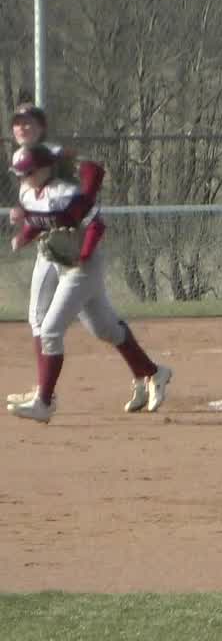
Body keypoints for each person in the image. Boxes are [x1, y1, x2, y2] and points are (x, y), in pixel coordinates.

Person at [6, 111, 173, 423]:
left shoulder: (65, 192)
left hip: (81, 266)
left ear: (43, 169)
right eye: (18, 174)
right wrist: (24, 235)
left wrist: (83, 255)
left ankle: (44, 401)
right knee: (104, 328)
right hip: (61, 260)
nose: (21, 178)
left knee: (51, 328)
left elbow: (95, 223)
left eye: (26, 172)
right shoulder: (31, 190)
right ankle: (154, 372)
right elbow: (39, 219)